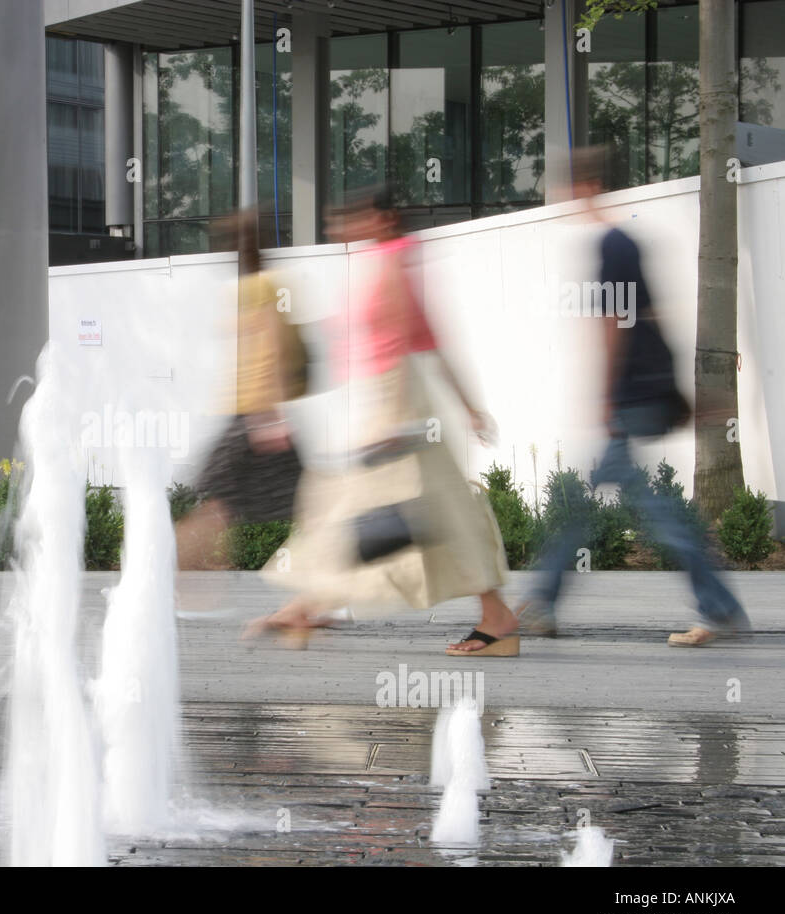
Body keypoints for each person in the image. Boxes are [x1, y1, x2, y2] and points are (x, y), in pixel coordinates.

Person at [256, 188, 521, 656]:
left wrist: (397, 419)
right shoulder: (378, 261)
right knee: (440, 511)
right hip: (388, 399)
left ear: (383, 219)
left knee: (346, 501)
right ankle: (496, 616)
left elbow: (404, 338)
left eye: (352, 217)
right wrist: (468, 407)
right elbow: (431, 339)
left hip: (397, 402)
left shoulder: (394, 260)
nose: (341, 227)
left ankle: (308, 604)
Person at [520, 146, 749, 647]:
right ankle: (543, 600)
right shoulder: (625, 242)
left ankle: (717, 608)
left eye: (568, 186)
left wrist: (604, 395)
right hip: (641, 392)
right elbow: (650, 317)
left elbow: (615, 323)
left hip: (628, 397)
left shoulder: (612, 246)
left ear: (585, 186)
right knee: (589, 504)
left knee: (654, 513)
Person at [175, 208, 308, 587]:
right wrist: (273, 417)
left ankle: (176, 578)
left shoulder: (239, 291)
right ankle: (174, 576)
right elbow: (275, 351)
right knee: (310, 503)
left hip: (240, 414)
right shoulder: (269, 286)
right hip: (257, 416)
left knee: (219, 504)